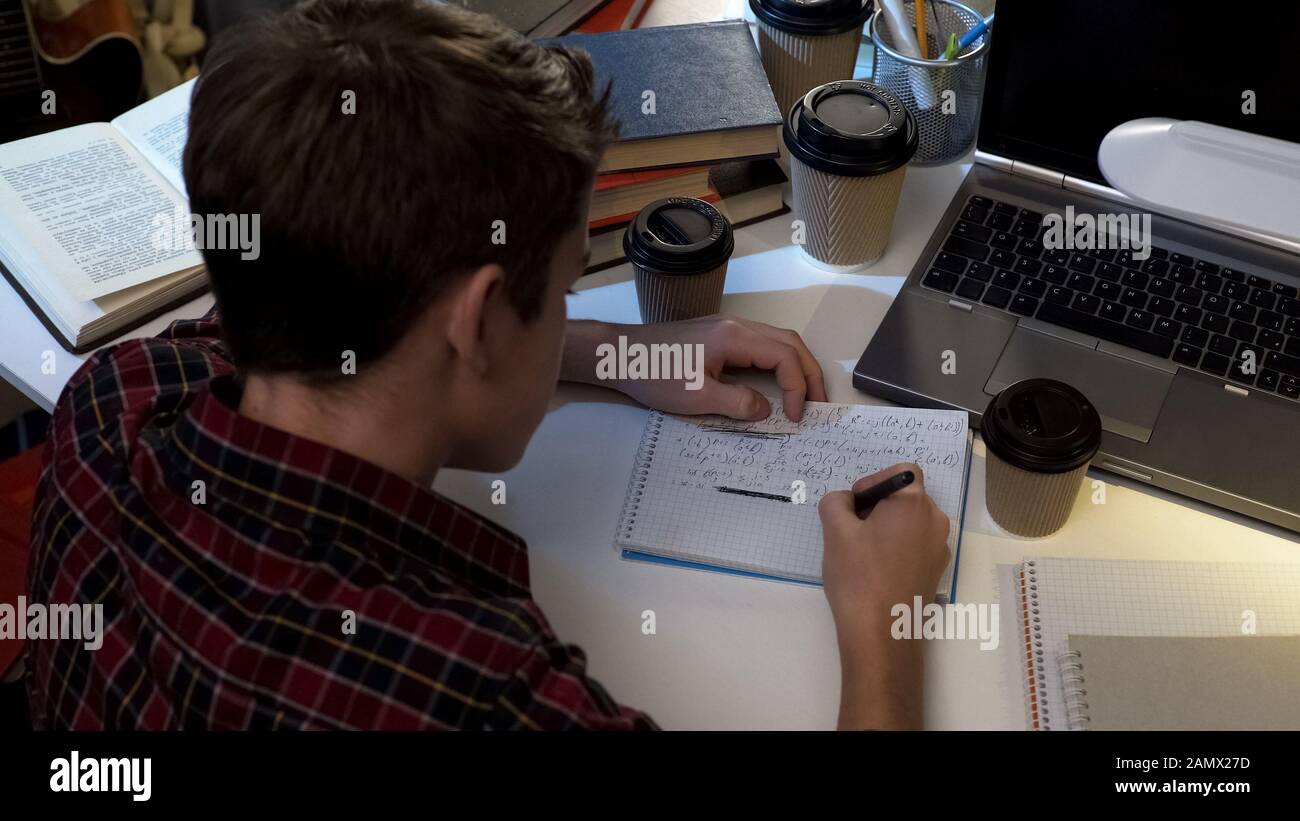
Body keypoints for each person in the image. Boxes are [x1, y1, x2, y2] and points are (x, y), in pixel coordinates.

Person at [25, 0, 949, 730]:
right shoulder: (479, 693)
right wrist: (882, 626)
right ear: (474, 321)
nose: (565, 321)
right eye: (557, 298)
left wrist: (610, 348)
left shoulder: (109, 404)